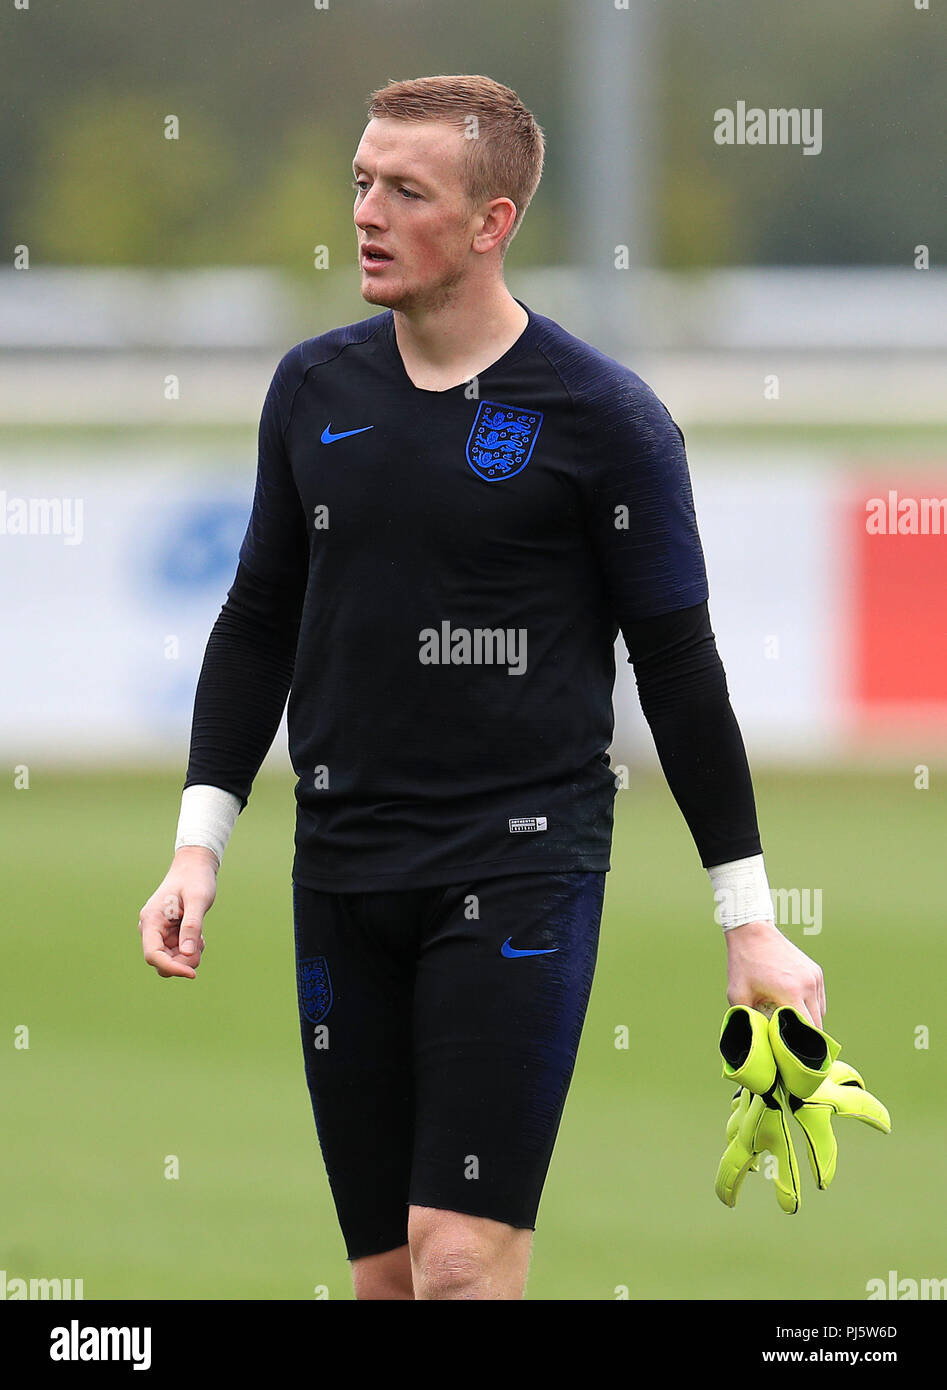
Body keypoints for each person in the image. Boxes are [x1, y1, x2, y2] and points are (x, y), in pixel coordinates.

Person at [138, 74, 825, 1301]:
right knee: (389, 1280)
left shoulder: (604, 419)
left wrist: (749, 918)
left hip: (518, 870)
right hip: (341, 869)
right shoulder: (312, 389)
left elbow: (677, 669)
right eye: (361, 182)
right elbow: (256, 623)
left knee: (458, 1260)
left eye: (406, 191)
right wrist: (199, 846)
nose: (367, 213)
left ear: (490, 221)